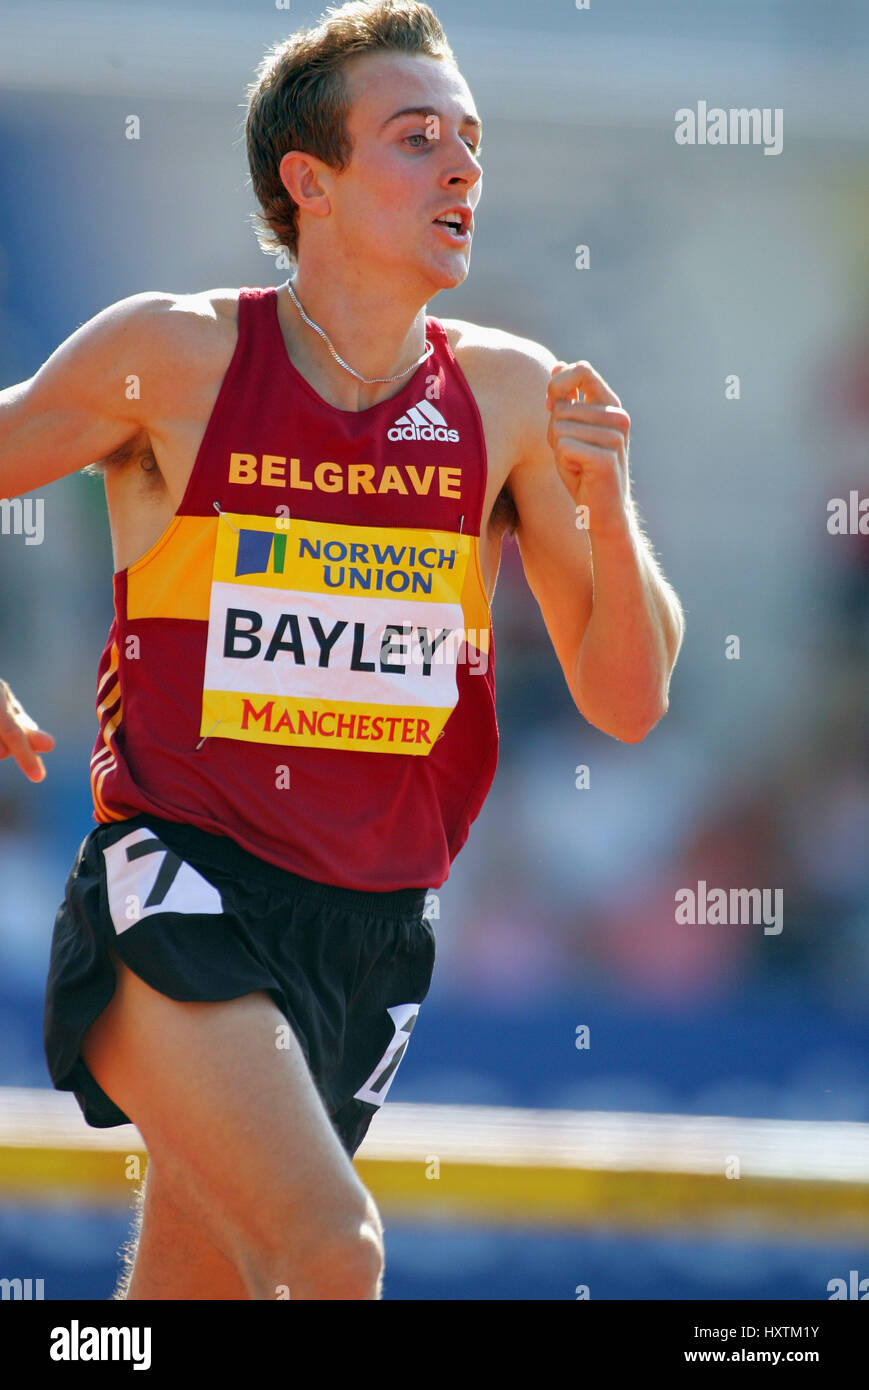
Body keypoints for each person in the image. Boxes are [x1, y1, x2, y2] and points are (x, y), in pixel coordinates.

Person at [0, 0, 684, 1300]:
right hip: (183, 880)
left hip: (373, 927)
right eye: (418, 136)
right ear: (304, 182)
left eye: (471, 139)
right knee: (330, 1251)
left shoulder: (507, 393)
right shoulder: (174, 355)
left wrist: (603, 495)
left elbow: (627, 703)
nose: (464, 166)